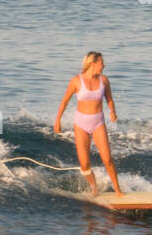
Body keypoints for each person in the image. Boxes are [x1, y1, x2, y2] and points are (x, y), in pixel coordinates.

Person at [53, 51, 123, 196]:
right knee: (84, 164)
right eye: (101, 62)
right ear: (93, 63)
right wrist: (58, 120)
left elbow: (109, 99)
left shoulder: (104, 80)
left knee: (107, 159)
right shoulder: (76, 81)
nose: (104, 65)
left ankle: (118, 190)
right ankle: (94, 187)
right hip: (81, 124)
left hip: (98, 122)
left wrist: (112, 111)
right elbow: (64, 101)